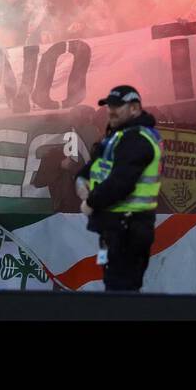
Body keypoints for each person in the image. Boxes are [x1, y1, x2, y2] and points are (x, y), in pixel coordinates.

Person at [75, 85, 162, 292]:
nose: (111, 111)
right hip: (115, 228)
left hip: (129, 228)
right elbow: (90, 168)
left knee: (121, 292)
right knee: (115, 289)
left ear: (134, 108)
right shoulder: (117, 136)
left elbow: (121, 183)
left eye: (117, 106)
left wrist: (90, 202)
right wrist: (80, 181)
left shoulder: (138, 139)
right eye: (109, 106)